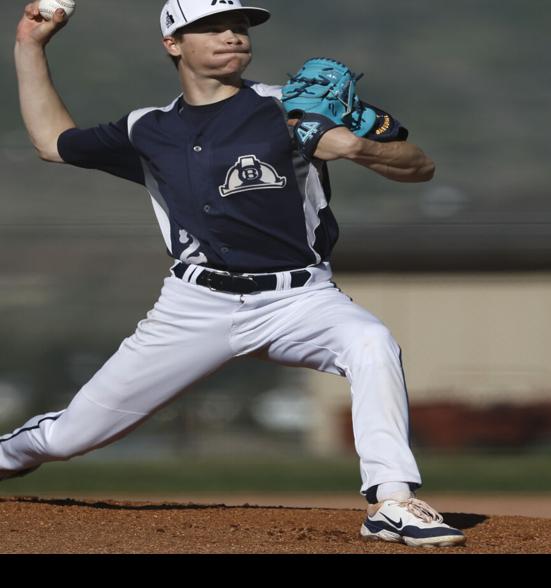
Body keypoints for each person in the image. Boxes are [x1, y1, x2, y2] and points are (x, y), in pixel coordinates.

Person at [0, 0, 466, 548]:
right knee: (69, 437)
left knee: (370, 342)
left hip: (300, 297)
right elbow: (53, 142)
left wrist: (358, 147)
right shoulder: (149, 129)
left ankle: (391, 501)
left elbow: (420, 165)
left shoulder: (291, 108)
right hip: (195, 304)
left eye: (239, 26)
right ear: (173, 44)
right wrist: (29, 46)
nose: (231, 35)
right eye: (211, 27)